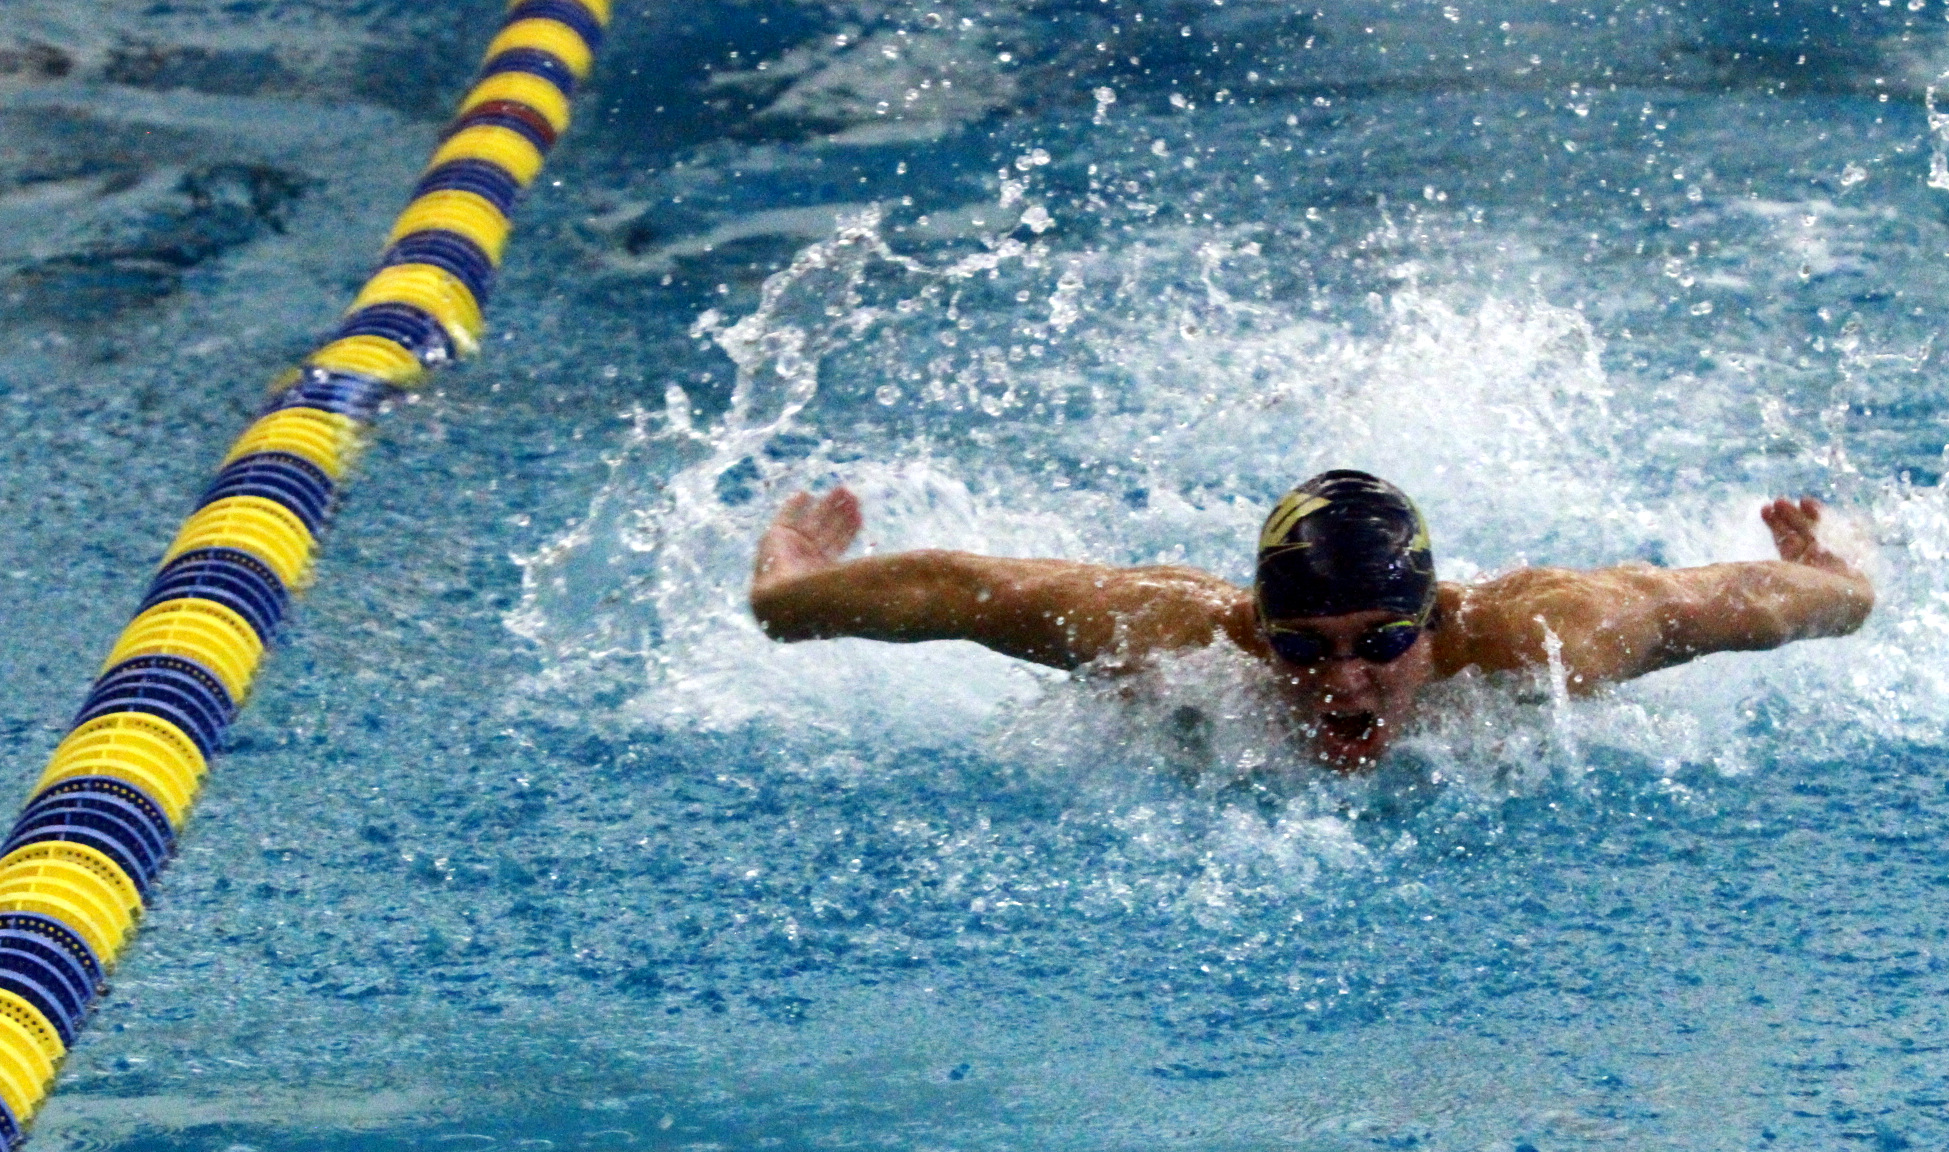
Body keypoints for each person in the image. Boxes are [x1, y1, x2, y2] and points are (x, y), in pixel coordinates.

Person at [747, 470, 1874, 770]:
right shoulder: (1175, 634)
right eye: (1302, 648)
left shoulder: (1548, 639)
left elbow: (1732, 607)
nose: (1342, 684)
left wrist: (1832, 574)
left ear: (1433, 623)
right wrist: (789, 587)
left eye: (1382, 642)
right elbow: (963, 589)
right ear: (1253, 629)